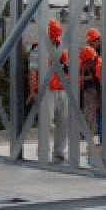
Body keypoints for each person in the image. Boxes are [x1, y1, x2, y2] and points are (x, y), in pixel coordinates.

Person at [44, 19, 69, 163]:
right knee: (47, 122)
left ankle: (59, 151)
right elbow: (34, 68)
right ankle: (43, 151)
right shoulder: (41, 46)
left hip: (62, 88)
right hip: (48, 89)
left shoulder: (61, 46)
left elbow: (67, 66)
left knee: (63, 121)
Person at [26, 40, 39, 105]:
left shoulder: (37, 48)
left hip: (46, 87)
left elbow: (32, 71)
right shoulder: (60, 45)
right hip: (60, 87)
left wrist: (32, 91)